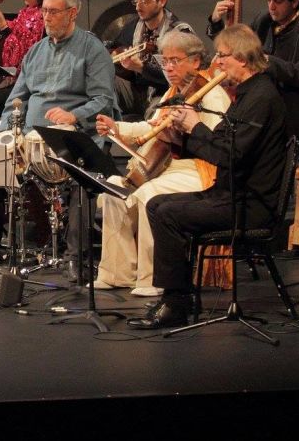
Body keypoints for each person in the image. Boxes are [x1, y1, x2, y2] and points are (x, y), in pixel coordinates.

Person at [129, 25, 288, 329]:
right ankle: (175, 296)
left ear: (242, 58)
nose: (216, 62)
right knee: (157, 205)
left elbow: (232, 154)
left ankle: (177, 302)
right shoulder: (246, 94)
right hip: (228, 193)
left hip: (249, 204)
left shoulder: (262, 96)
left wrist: (195, 127)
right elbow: (222, 147)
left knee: (168, 213)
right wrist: (181, 140)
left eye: (223, 56)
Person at [0, 0, 116, 262]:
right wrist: (5, 134)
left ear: (73, 13)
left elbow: (104, 100)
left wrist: (74, 115)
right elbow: (15, 100)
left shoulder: (92, 50)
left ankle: (75, 260)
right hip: (32, 140)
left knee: (82, 183)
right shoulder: (36, 52)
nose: (47, 17)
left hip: (76, 140)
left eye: (54, 12)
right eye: (44, 11)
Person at [92, 31, 230, 297]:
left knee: (147, 195)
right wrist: (116, 126)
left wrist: (187, 130)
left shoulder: (212, 93)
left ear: (196, 61)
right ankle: (117, 273)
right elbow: (151, 126)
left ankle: (152, 278)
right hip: (166, 167)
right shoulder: (173, 92)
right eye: (165, 61)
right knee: (113, 190)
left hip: (198, 169)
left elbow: (216, 145)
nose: (168, 68)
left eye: (175, 61)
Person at [206, 0, 299, 148]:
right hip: (266, 109)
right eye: (269, 0)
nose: (271, 7)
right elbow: (236, 47)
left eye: (278, 1)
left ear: (294, 2)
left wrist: (264, 60)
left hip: (297, 117)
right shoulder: (264, 20)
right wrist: (216, 21)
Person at [112, 0, 195, 119]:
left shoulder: (179, 32)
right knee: (106, 80)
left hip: (164, 93)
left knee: (157, 111)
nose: (138, 7)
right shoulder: (133, 27)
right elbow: (115, 46)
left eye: (144, 1)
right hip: (138, 92)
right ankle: (107, 132)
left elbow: (182, 77)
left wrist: (141, 68)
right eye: (136, 2)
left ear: (161, 1)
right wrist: (115, 56)